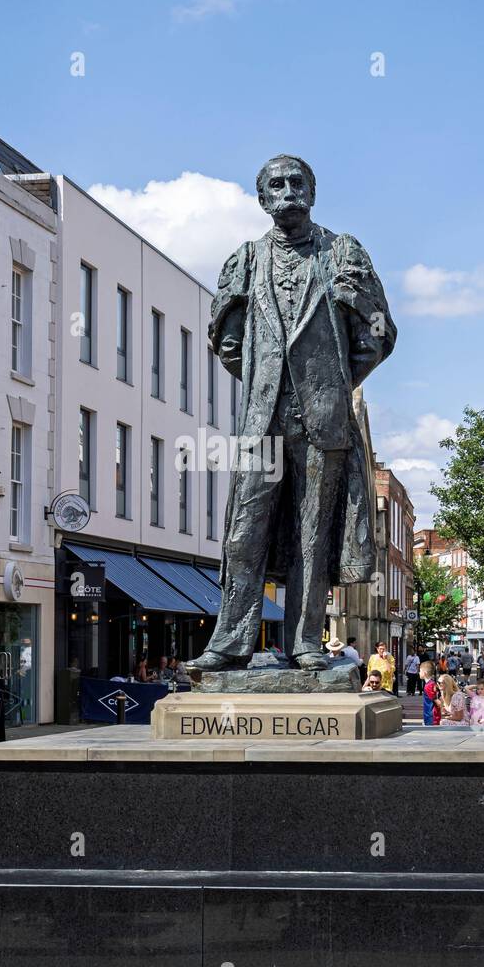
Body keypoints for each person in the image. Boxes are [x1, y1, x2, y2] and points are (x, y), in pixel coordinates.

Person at [187, 153, 396, 674]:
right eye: (276, 185)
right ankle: (232, 641)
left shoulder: (342, 252)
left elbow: (378, 331)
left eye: (297, 182)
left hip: (322, 421)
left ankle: (303, 642)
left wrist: (336, 380)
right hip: (264, 418)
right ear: (261, 199)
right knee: (244, 531)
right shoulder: (246, 260)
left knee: (312, 534)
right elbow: (226, 340)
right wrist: (266, 381)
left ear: (313, 192)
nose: (288, 191)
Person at [420, 660, 440, 727]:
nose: (419, 673)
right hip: (432, 714)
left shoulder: (428, 686)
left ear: (424, 673)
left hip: (430, 715)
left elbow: (437, 701)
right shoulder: (432, 683)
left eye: (420, 671)